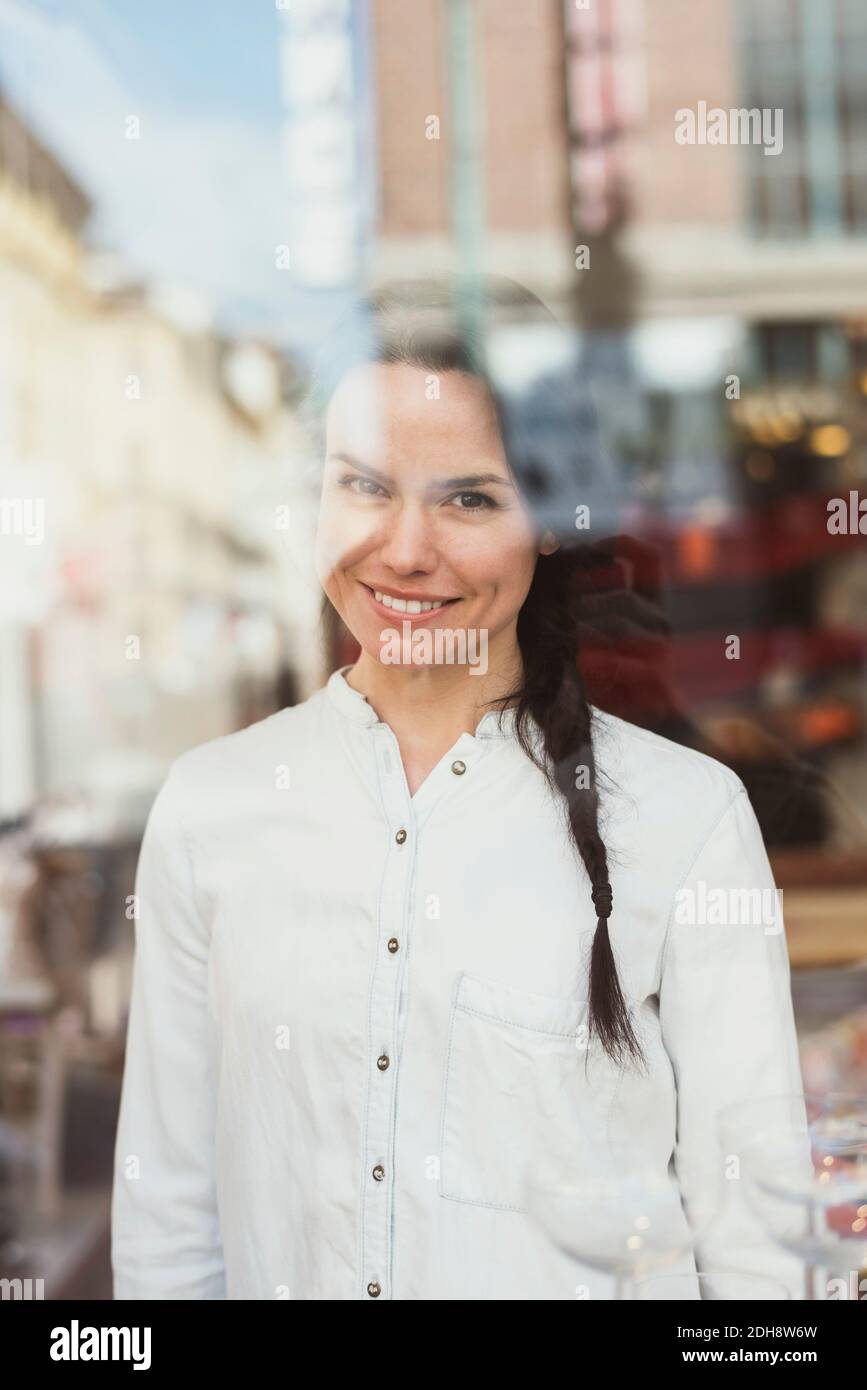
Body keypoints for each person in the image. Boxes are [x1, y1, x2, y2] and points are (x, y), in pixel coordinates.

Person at [111, 274, 809, 1300]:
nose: (404, 548)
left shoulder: (687, 821)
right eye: (365, 484)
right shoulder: (209, 809)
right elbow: (171, 1227)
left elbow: (759, 1254)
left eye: (470, 497)